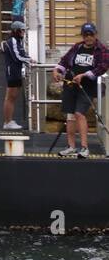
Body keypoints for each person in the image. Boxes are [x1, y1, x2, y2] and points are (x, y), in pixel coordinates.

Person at [52, 22, 109, 158]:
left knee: (79, 113)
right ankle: (71, 146)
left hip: (87, 87)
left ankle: (84, 148)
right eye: (86, 35)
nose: (88, 37)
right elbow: (64, 62)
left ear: (95, 35)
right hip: (71, 84)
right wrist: (57, 70)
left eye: (91, 34)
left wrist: (84, 75)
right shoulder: (77, 47)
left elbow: (102, 67)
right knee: (70, 115)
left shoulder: (102, 50)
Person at [1, 19, 30, 130]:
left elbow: (22, 53)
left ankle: (9, 120)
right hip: (12, 71)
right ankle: (7, 122)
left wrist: (27, 58)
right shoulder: (12, 40)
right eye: (22, 30)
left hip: (16, 71)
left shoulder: (18, 41)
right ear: (16, 31)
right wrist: (30, 60)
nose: (24, 32)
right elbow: (17, 56)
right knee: (10, 97)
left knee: (13, 97)